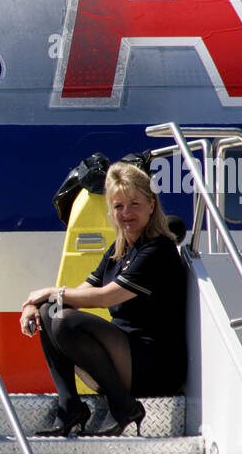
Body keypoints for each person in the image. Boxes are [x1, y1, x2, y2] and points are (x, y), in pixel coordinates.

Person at [19, 161, 187, 437]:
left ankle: (123, 406)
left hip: (155, 364)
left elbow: (105, 297)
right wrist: (33, 304)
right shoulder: (118, 250)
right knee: (52, 312)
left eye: (134, 204)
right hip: (125, 357)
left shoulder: (158, 250)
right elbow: (79, 293)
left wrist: (49, 293)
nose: (126, 213)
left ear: (151, 205)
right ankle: (70, 406)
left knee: (62, 319)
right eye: (119, 206)